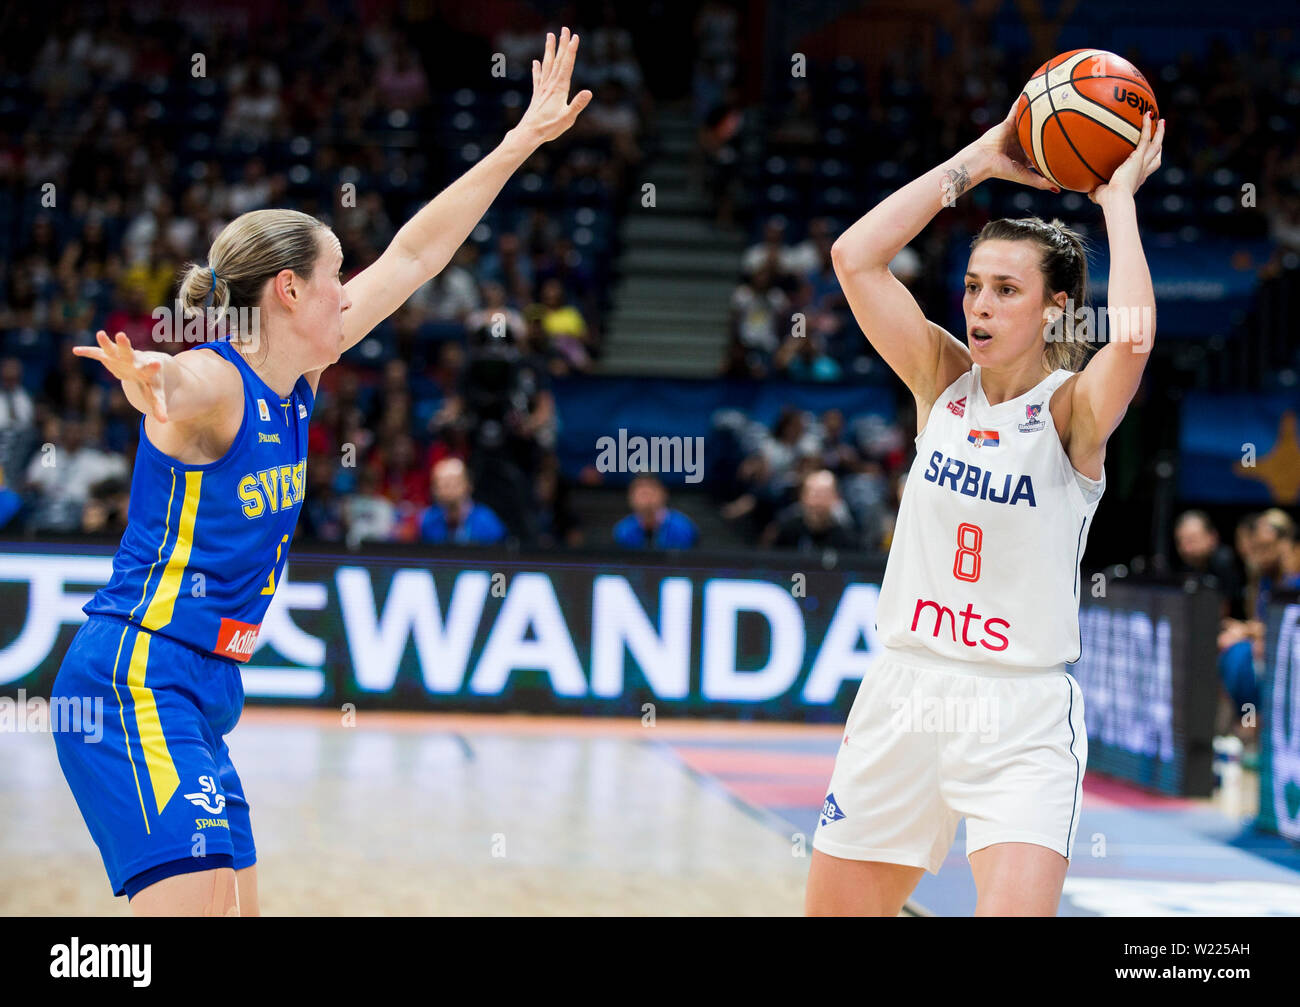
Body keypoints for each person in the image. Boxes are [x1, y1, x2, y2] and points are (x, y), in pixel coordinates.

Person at [49, 28, 590, 917]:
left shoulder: (298, 371)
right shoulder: (221, 378)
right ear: (290, 291)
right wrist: (151, 384)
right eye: (338, 273)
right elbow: (178, 388)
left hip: (201, 688)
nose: (352, 288)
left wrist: (518, 141)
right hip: (134, 677)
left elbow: (418, 255)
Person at [806, 103, 1164, 917]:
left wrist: (1117, 200)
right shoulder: (940, 378)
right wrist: (983, 157)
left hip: (1021, 712)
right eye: (974, 286)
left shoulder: (1072, 411)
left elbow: (1135, 340)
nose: (982, 305)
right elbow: (854, 258)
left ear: (1056, 309)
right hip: (906, 691)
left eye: (1007, 289)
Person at [418, 457, 508, 545]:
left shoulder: (487, 522)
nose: (447, 488)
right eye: (441, 484)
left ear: (468, 485)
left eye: (453, 482)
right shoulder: (428, 521)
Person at [613, 474, 699, 548]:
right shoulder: (623, 530)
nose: (646, 495)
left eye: (651, 489)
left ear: (664, 494)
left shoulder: (682, 528)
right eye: (640, 491)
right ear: (630, 497)